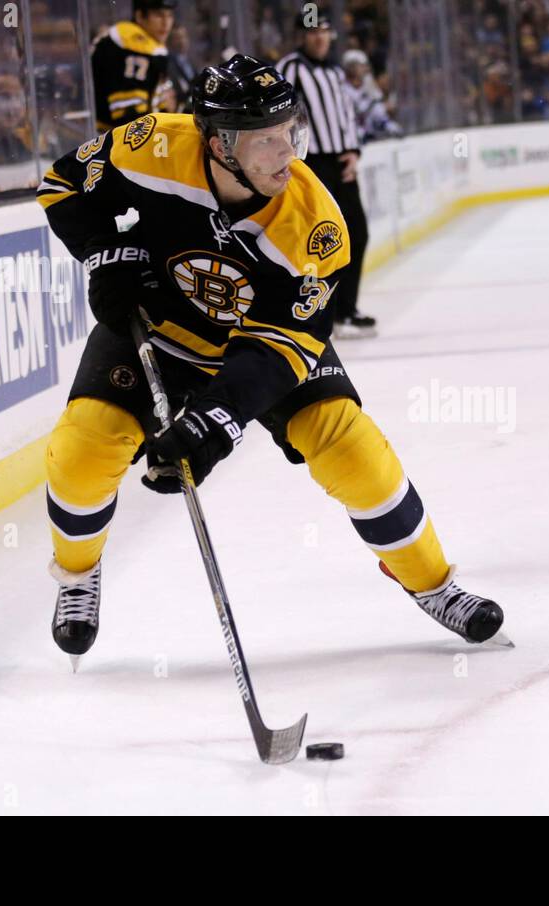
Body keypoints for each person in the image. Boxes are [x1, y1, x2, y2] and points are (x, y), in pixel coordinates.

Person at [35, 55, 505, 659]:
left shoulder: (315, 226)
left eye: (291, 133)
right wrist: (106, 251)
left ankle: (433, 584)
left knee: (349, 447)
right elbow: (64, 184)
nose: (287, 153)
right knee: (84, 447)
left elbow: (278, 350)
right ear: (218, 143)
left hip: (261, 342)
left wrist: (211, 424)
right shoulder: (152, 144)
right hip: (161, 323)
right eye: (266, 141)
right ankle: (76, 576)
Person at [278, 10, 375, 339]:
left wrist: (353, 151)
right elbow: (281, 117)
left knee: (356, 234)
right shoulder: (290, 68)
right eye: (313, 31)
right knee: (317, 242)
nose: (320, 37)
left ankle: (346, 310)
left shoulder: (334, 71)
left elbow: (345, 115)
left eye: (324, 30)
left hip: (340, 164)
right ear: (300, 36)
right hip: (311, 166)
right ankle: (320, 314)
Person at [90, 0, 177, 131]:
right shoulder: (131, 46)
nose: (166, 23)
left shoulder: (148, 43)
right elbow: (131, 120)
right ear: (140, 16)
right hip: (110, 139)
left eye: (169, 15)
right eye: (159, 15)